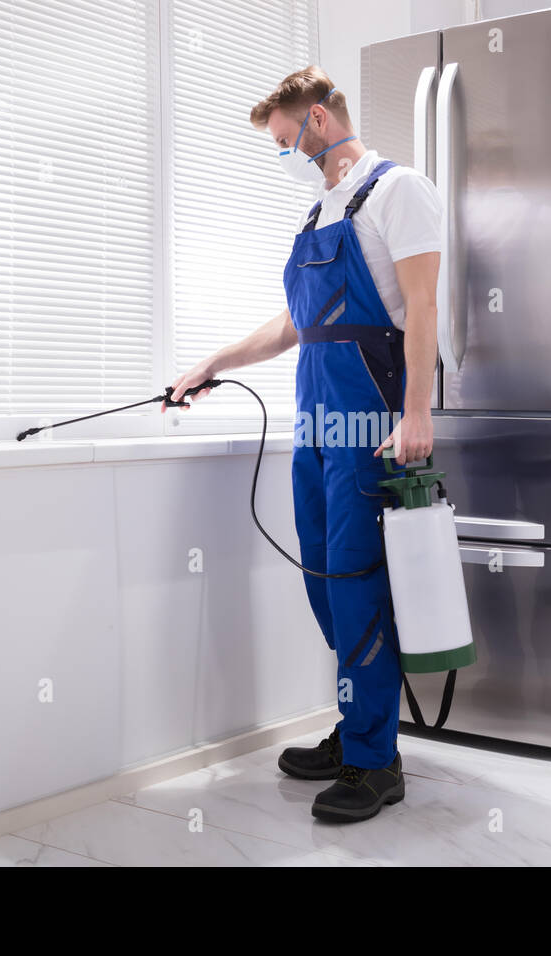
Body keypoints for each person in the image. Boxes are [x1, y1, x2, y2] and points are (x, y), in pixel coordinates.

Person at [164, 66, 442, 823]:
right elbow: (295, 326)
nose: (285, 154)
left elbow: (422, 308)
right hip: (314, 425)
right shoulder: (319, 211)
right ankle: (359, 725)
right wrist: (211, 363)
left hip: (371, 424)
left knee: (358, 584)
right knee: (324, 581)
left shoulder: (398, 189)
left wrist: (417, 413)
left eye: (285, 141)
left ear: (318, 120)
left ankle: (375, 760)